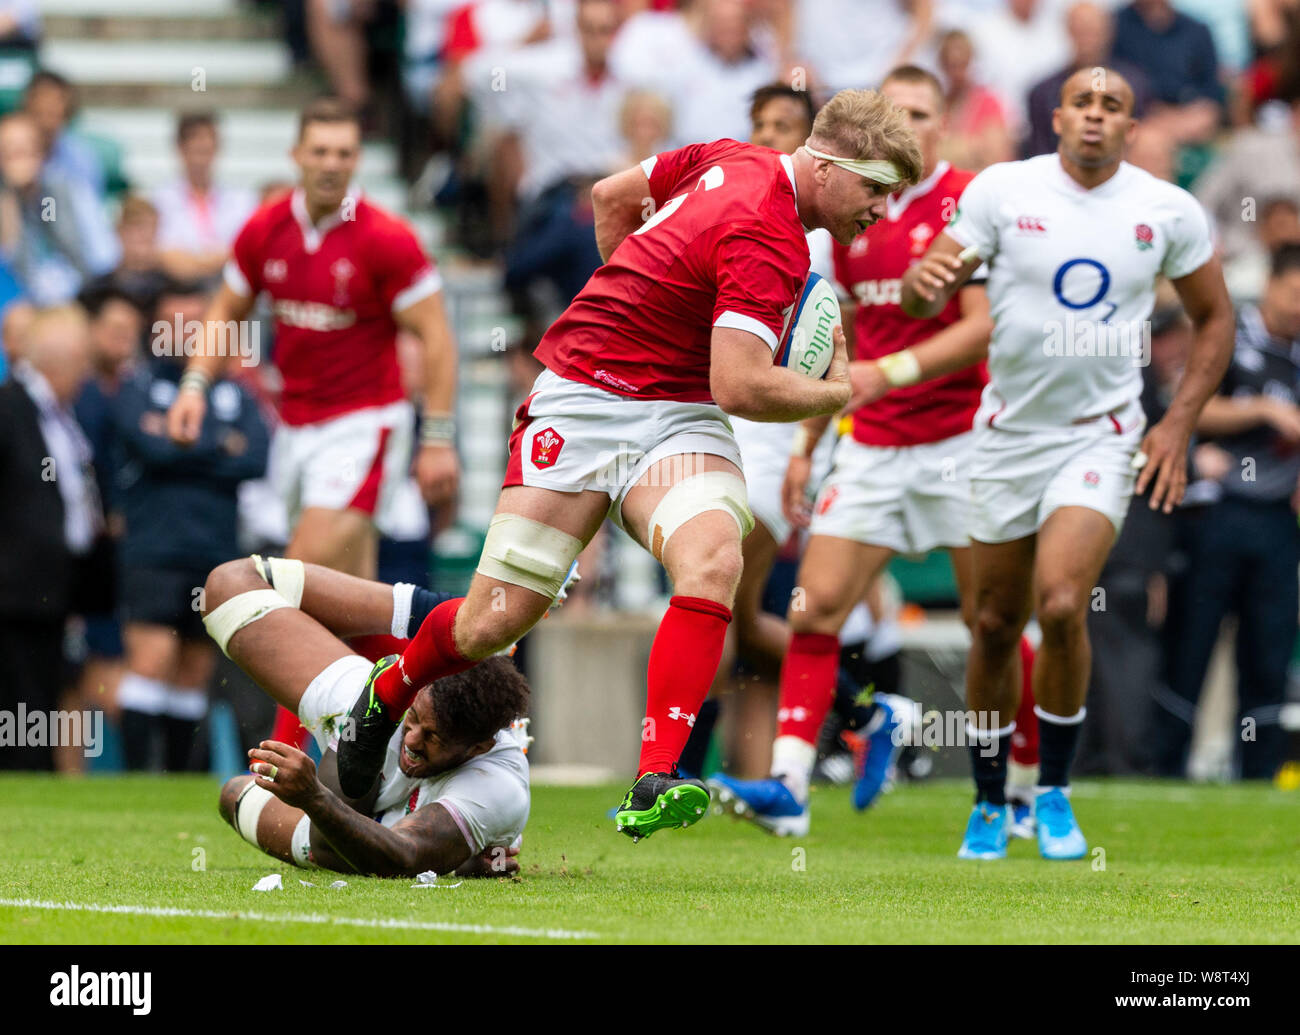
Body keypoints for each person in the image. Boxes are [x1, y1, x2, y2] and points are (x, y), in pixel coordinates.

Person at [335, 89, 924, 840]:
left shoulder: (729, 154)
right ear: (832, 165)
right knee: (492, 622)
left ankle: (655, 772)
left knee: (712, 559)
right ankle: (391, 686)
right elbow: (739, 384)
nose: (882, 210)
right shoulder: (772, 237)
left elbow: (610, 196)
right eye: (876, 189)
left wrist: (641, 294)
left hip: (676, 412)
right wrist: (834, 391)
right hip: (585, 395)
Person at [897, 66, 1233, 860]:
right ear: (1056, 118)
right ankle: (988, 800)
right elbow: (919, 297)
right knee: (990, 623)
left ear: (1131, 124)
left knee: (1059, 603)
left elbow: (1216, 316)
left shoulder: (1166, 209)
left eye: (1112, 105)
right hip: (1008, 436)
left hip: (1101, 434)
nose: (1095, 115)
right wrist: (917, 286)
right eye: (1082, 102)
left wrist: (1176, 423)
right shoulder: (1001, 192)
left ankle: (1051, 791)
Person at [708, 65, 1038, 836]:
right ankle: (790, 785)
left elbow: (982, 325)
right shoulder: (854, 208)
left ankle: (1019, 786)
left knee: (993, 622)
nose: (911, 126)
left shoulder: (967, 197)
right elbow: (841, 340)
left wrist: (892, 372)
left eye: (923, 112)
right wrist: (808, 444)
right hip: (874, 443)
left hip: (963, 439)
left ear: (944, 121)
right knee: (815, 608)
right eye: (899, 113)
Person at [207, 557, 530, 878]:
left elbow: (390, 855)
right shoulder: (374, 702)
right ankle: (432, 613)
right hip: (369, 722)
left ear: (479, 748)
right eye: (414, 718)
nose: (413, 739)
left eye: (433, 736)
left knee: (347, 848)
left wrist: (312, 796)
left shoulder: (498, 784)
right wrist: (454, 863)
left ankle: (389, 831)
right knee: (226, 586)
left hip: (403, 831)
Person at [1150, 244, 1300, 782]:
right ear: (1272, 284)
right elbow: (1191, 407)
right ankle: (1165, 768)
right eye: (1294, 292)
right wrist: (1261, 410)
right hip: (1216, 514)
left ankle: (1258, 771)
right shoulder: (1227, 337)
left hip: (1279, 519)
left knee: (1269, 649)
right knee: (1191, 642)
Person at [113, 282, 270, 770]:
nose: (185, 336)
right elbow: (152, 448)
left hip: (214, 554)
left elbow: (257, 458)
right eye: (173, 327)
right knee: (151, 660)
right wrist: (220, 445)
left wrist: (183, 442)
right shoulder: (138, 386)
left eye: (195, 326)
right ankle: (137, 779)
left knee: (194, 669)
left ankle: (175, 780)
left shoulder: (235, 392)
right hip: (154, 552)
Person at [0, 305, 97, 770]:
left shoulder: (59, 417)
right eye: (80, 366)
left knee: (42, 693)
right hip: (12, 590)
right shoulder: (9, 407)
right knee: (18, 700)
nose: (84, 377)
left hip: (49, 590)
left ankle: (31, 775)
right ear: (59, 363)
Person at [151, 113, 258, 286]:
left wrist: (195, 262)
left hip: (229, 294)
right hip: (180, 294)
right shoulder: (159, 201)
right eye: (197, 151)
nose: (202, 160)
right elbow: (167, 258)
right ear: (180, 149)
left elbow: (246, 252)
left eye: (207, 150)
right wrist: (221, 259)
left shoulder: (242, 200)